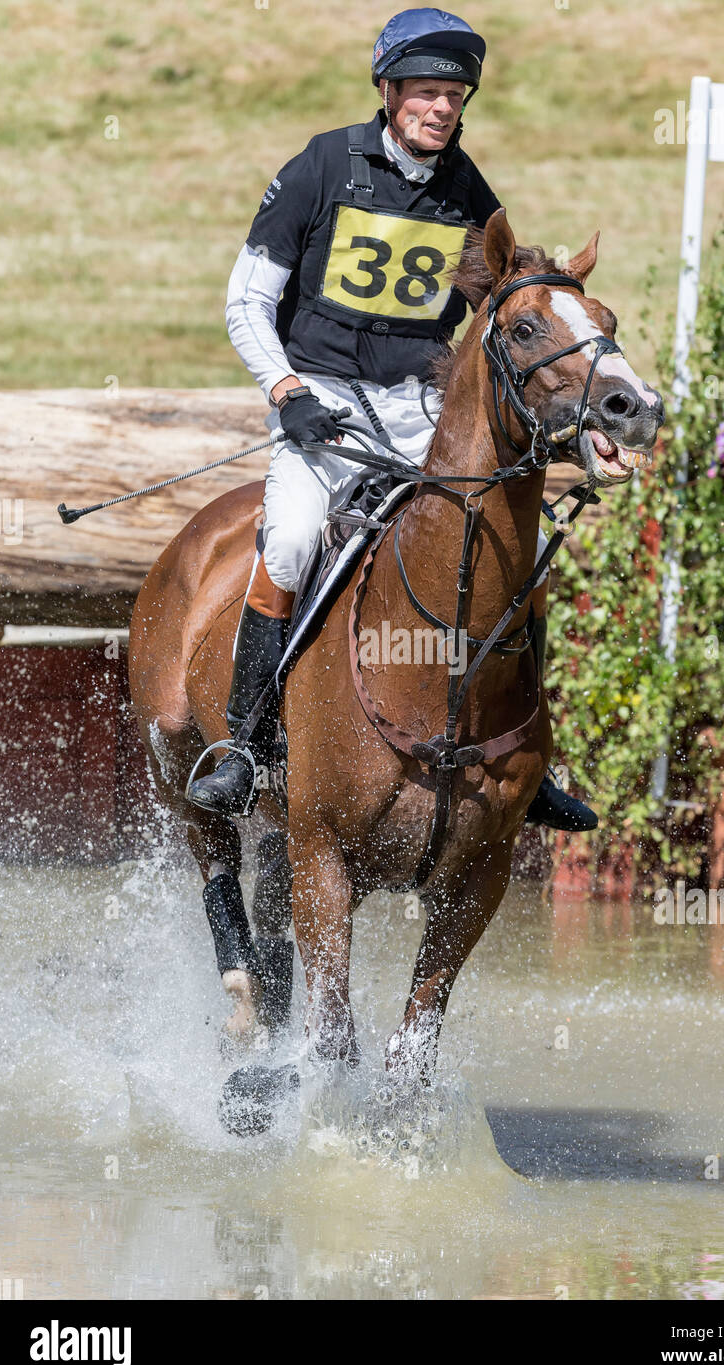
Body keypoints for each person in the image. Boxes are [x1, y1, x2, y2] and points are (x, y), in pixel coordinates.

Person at [187, 7, 597, 834]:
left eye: (453, 95)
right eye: (425, 92)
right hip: (321, 398)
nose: (441, 108)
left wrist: (584, 417)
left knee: (507, 553)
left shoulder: (468, 194)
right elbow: (245, 302)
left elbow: (517, 310)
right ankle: (244, 744)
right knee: (297, 537)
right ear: (389, 91)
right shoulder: (320, 166)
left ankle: (529, 756)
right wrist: (284, 390)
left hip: (416, 413)